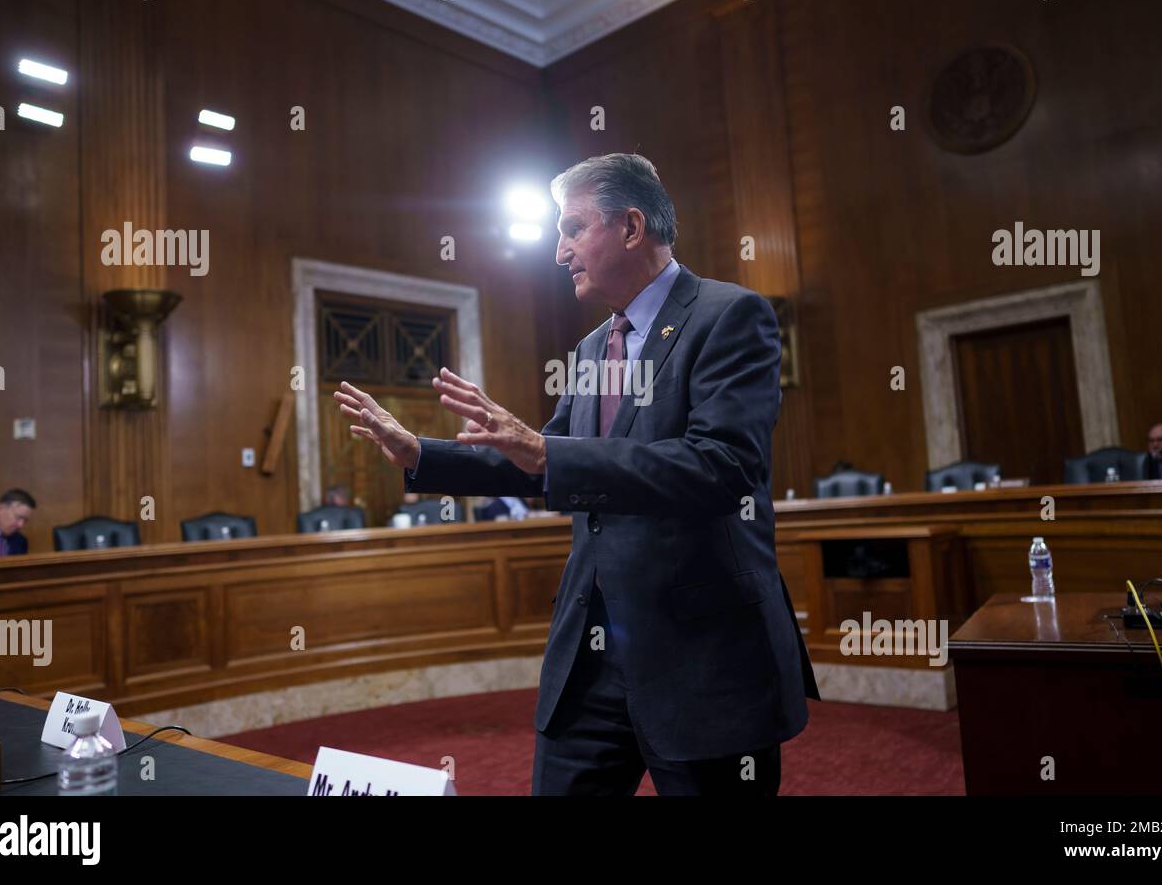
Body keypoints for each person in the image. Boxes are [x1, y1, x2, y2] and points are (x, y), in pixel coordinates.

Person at [335, 153, 818, 795]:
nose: (559, 252)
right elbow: (543, 458)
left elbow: (720, 466)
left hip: (700, 651)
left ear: (631, 226)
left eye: (572, 229)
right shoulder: (593, 348)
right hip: (591, 656)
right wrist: (421, 455)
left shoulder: (730, 316)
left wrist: (544, 451)